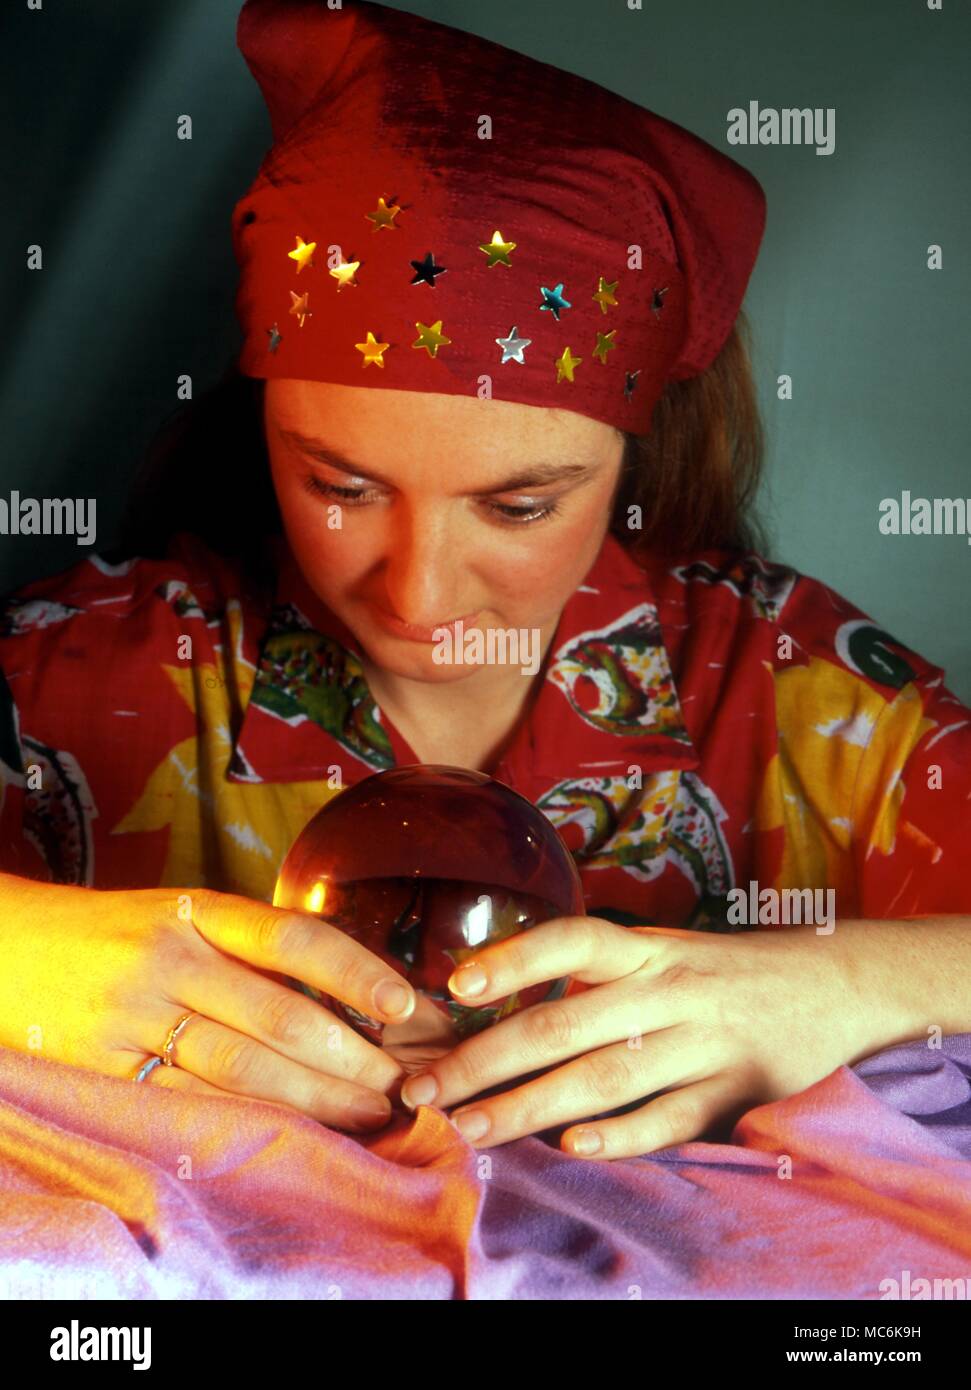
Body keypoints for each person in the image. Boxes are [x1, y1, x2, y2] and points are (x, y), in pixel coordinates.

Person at [0, 0, 969, 1162]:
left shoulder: (800, 695)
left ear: (636, 456)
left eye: (517, 507)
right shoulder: (67, 674)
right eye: (339, 485)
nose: (417, 596)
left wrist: (840, 984)